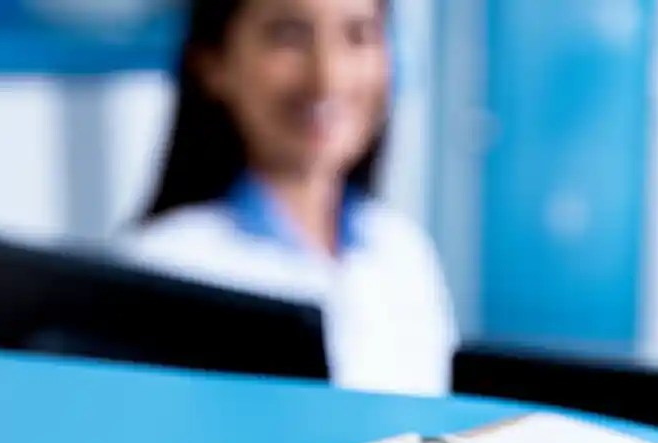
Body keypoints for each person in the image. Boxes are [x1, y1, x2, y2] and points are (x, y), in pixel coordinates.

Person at [128, 0, 456, 396]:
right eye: (288, 36)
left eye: (358, 34)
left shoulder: (401, 250)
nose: (329, 77)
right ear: (213, 62)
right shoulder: (166, 266)